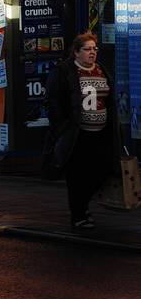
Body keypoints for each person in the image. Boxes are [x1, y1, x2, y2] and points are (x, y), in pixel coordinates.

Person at [45, 32, 118, 229]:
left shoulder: (101, 70)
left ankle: (82, 206)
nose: (92, 53)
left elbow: (109, 100)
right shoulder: (65, 72)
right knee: (78, 175)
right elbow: (53, 101)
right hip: (78, 133)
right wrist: (62, 127)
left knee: (103, 169)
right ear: (76, 52)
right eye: (87, 49)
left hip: (101, 132)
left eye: (95, 49)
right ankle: (78, 214)